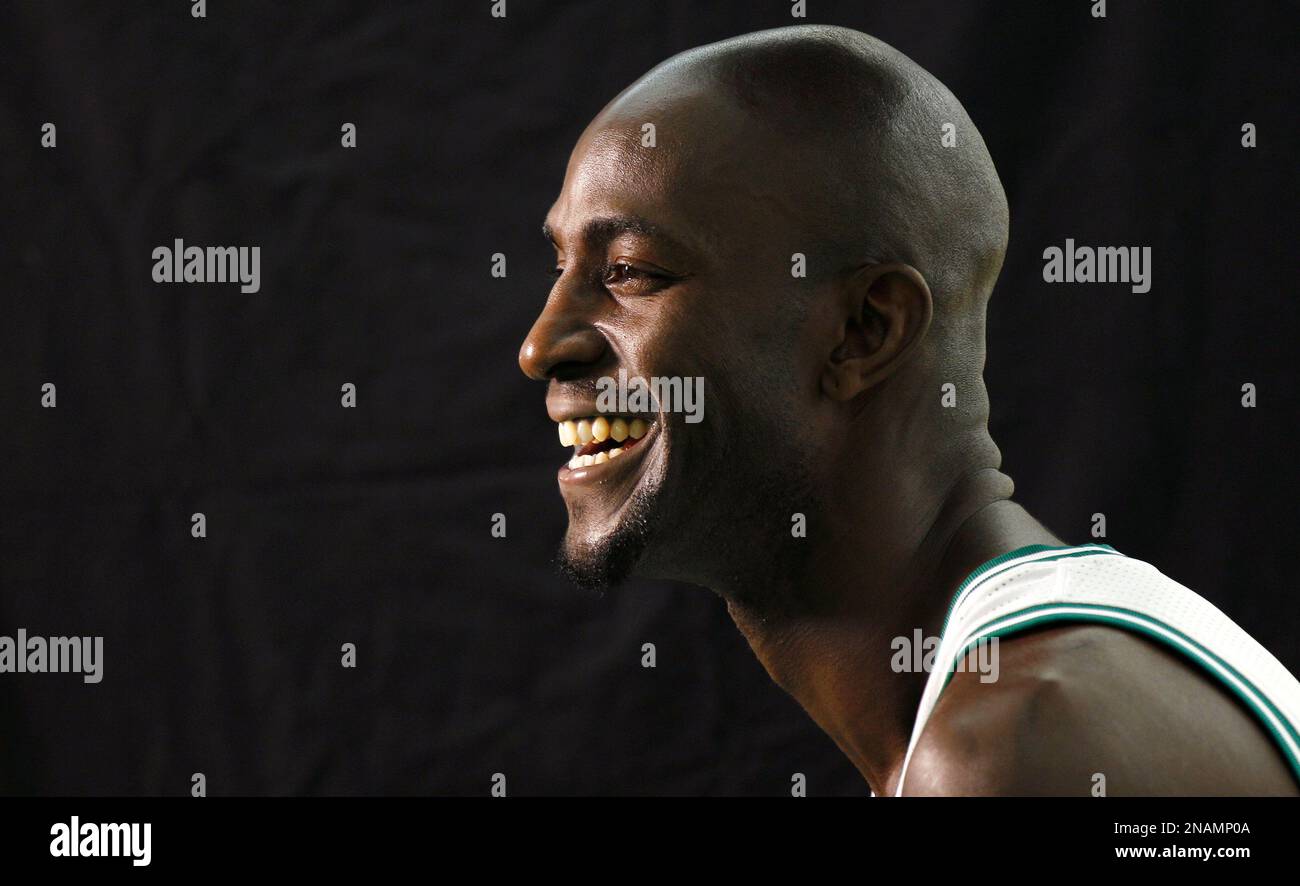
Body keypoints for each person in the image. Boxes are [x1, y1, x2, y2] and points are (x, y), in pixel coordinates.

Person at [517, 25, 1300, 796]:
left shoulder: (1009, 754)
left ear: (864, 331)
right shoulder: (1054, 683)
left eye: (629, 271)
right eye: (561, 265)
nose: (541, 345)